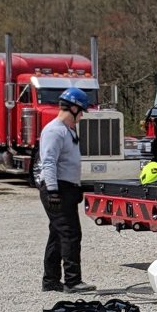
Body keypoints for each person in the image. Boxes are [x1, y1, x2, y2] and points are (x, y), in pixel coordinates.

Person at [39, 87, 96, 293]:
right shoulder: (54, 131)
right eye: (80, 112)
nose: (81, 116)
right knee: (71, 234)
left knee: (57, 234)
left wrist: (77, 186)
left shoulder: (68, 131)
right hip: (57, 189)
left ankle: (51, 280)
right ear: (72, 108)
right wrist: (53, 191)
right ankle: (73, 281)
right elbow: (49, 163)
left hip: (67, 188)